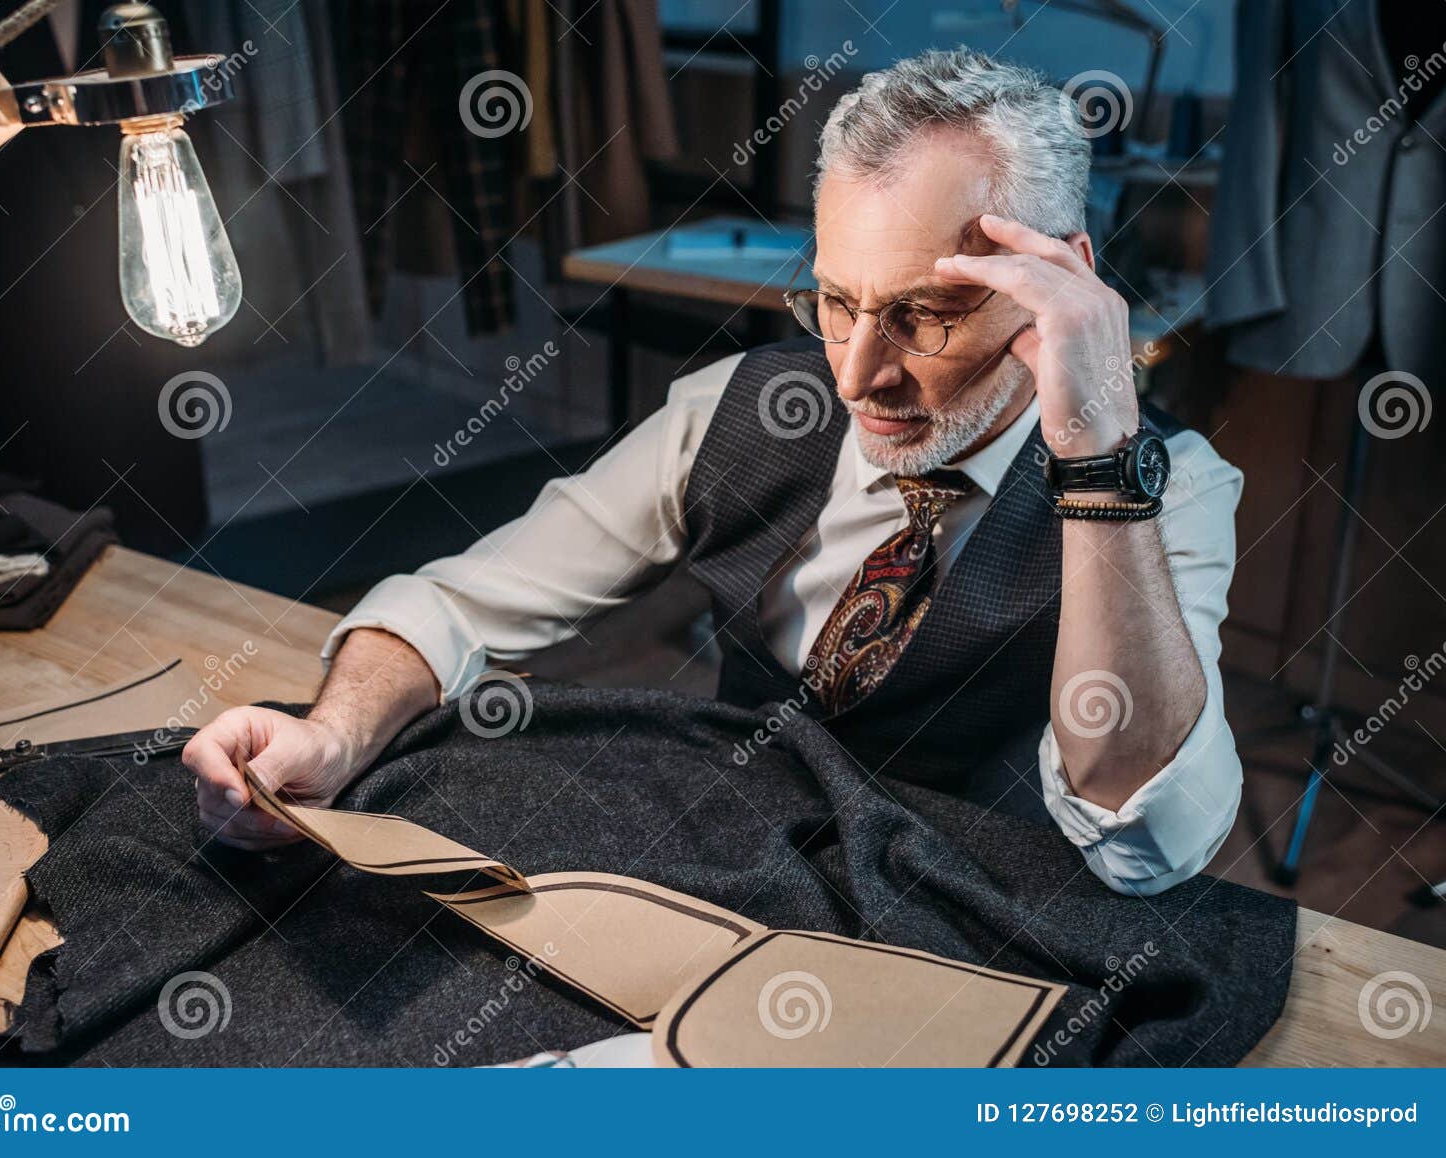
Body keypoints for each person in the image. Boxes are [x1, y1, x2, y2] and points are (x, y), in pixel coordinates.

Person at [184, 49, 1242, 896]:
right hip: (737, 861)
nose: (859, 374)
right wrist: (330, 731)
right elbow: (460, 602)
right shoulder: (737, 408)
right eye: (836, 301)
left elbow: (1148, 841)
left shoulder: (1168, 488)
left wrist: (1095, 458)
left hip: (962, 909)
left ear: (1062, 277)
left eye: (923, 312)